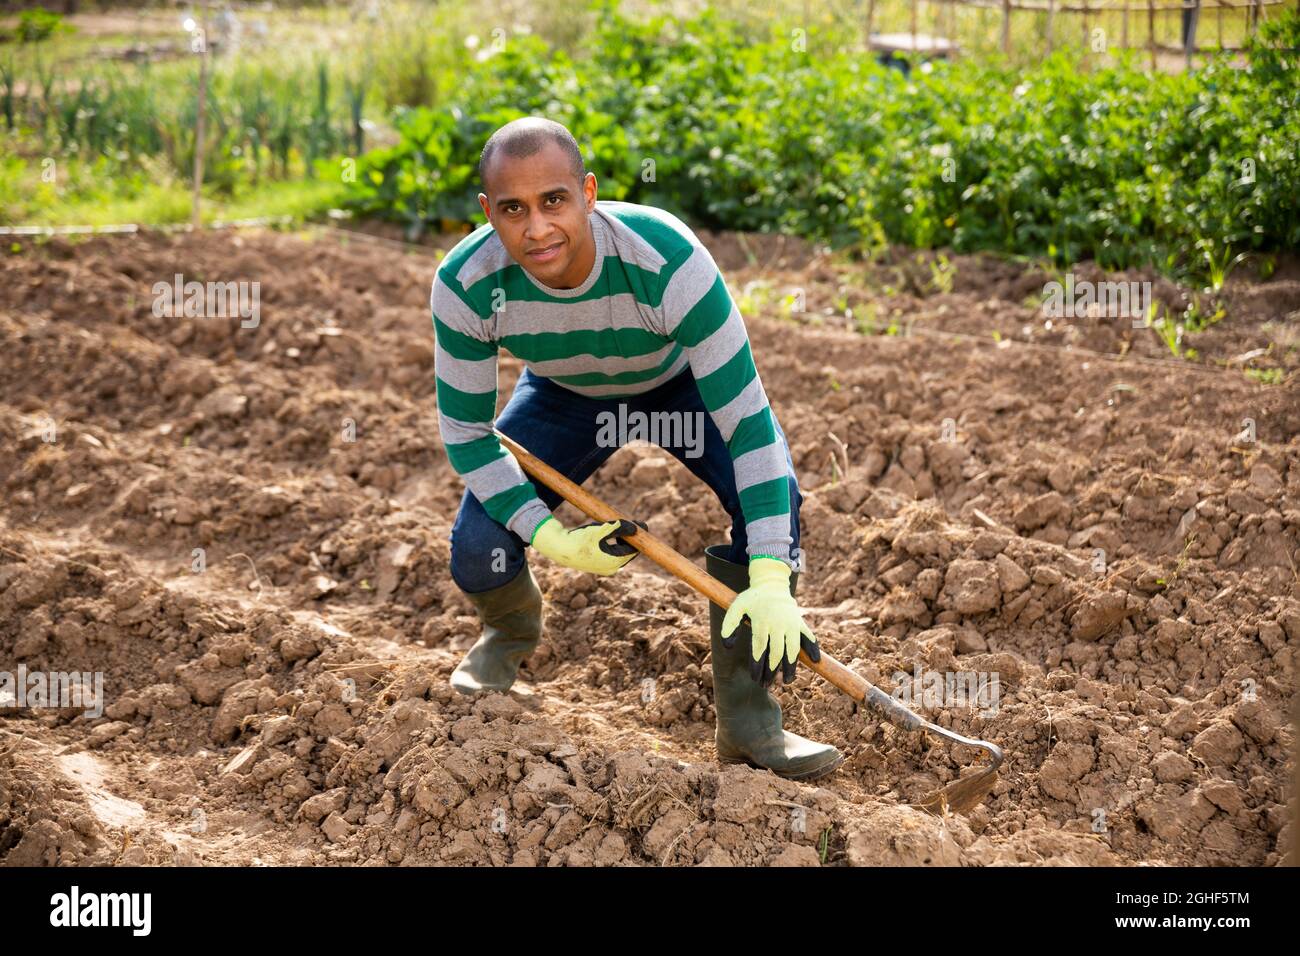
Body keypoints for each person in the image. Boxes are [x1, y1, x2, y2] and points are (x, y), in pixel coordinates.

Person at [431, 116, 843, 780]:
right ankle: (506, 637)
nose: (536, 228)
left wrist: (770, 575)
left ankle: (749, 723)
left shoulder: (667, 261)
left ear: (588, 193)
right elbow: (470, 437)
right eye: (513, 209)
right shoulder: (467, 284)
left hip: (678, 384)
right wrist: (549, 536)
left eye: (554, 202)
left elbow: (749, 427)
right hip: (565, 394)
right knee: (481, 545)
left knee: (772, 507)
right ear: (487, 213)